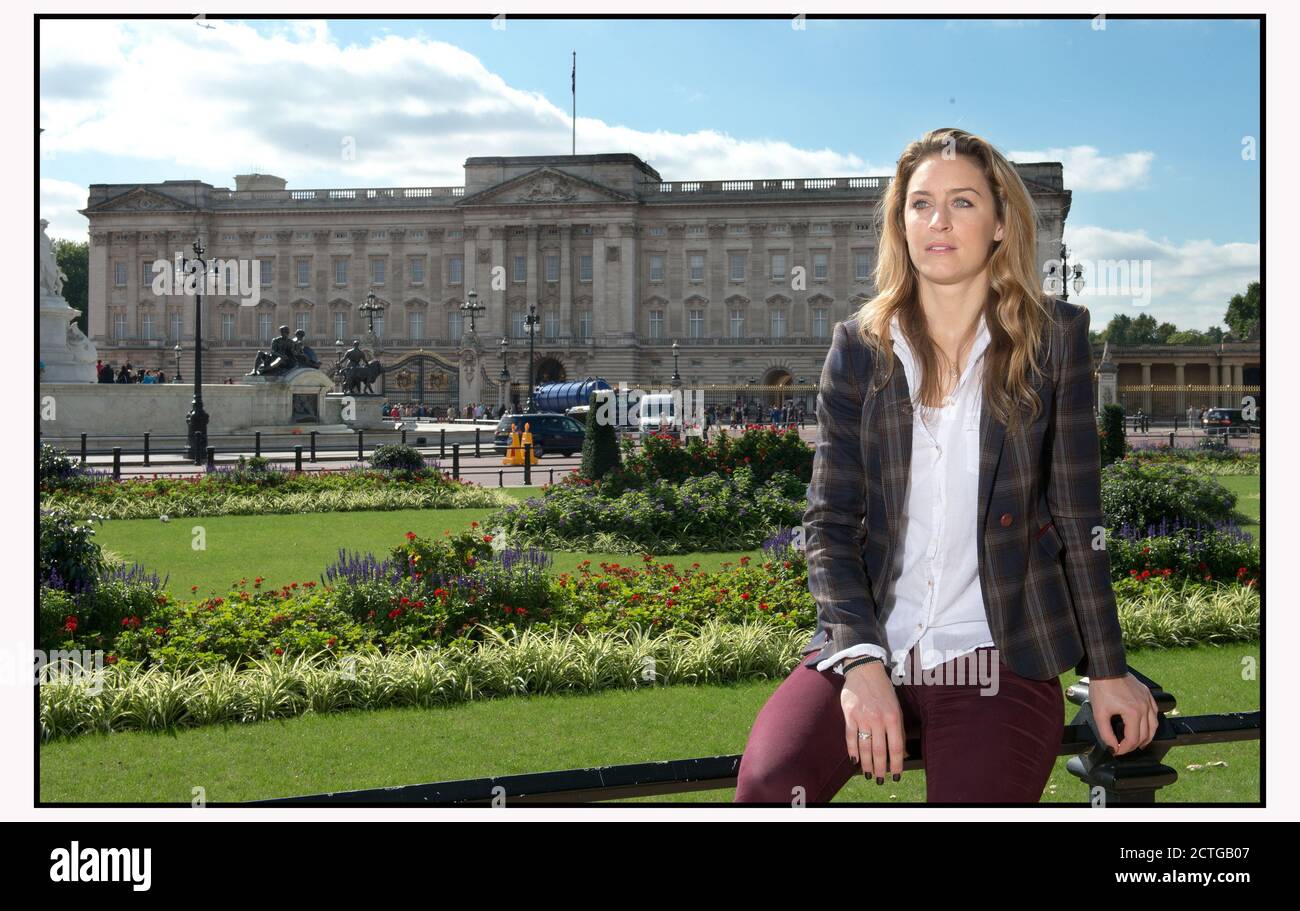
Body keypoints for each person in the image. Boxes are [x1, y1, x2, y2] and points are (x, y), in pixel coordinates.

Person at [734, 127, 1157, 804]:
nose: (938, 220)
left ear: (998, 223)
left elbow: (1080, 517)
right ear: (900, 224)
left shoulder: (1055, 341)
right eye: (920, 203)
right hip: (868, 642)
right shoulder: (858, 346)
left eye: (962, 202)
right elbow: (829, 523)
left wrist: (1106, 667)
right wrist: (863, 660)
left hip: (998, 653)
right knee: (765, 786)